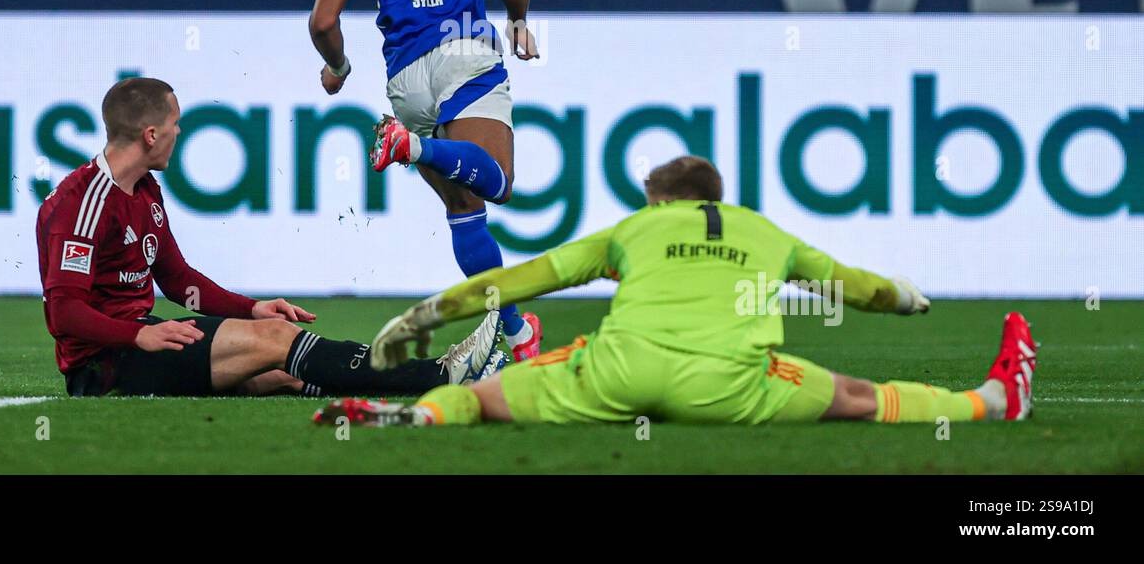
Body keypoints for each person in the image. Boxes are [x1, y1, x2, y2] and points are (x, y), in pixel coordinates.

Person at [313, 155, 1039, 428]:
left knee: (485, 398)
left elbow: (522, 279)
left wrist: (425, 313)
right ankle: (989, 403)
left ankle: (416, 419)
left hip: (618, 373)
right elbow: (859, 291)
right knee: (857, 398)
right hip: (734, 386)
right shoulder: (767, 234)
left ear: (663, 200)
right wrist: (906, 298)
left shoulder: (634, 230)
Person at [36, 76, 506, 398]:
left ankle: (442, 383)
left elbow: (178, 278)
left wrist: (252, 308)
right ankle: (443, 372)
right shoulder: (83, 202)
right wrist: (139, 334)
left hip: (140, 340)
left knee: (285, 373)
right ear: (151, 133)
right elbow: (65, 312)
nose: (180, 132)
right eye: (176, 123)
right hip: (105, 366)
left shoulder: (144, 189)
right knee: (279, 340)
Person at [307, 0, 544, 362]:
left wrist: (339, 69)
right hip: (464, 51)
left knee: (464, 209)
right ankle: (410, 146)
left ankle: (517, 333)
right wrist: (517, 20)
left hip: (405, 79)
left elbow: (323, 22)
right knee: (499, 183)